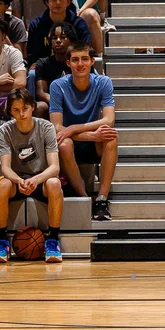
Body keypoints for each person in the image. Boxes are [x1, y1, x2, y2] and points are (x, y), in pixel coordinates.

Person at [0, 89, 66, 263]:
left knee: (54, 183)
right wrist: (18, 180)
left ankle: (53, 240)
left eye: (24, 108)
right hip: (18, 181)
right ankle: (2, 242)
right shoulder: (5, 130)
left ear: (33, 107)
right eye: (16, 110)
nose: (21, 113)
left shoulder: (46, 127)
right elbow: (5, 168)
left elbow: (55, 167)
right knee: (2, 185)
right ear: (10, 111)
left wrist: (36, 180)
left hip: (40, 179)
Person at [49, 42, 117, 220]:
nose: (80, 64)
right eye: (75, 60)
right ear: (68, 63)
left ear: (92, 61)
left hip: (90, 142)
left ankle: (102, 199)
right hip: (71, 143)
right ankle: (84, 198)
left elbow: (109, 119)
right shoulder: (57, 85)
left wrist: (74, 128)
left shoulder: (103, 82)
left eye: (85, 59)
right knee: (64, 143)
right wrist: (90, 135)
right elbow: (56, 127)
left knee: (111, 137)